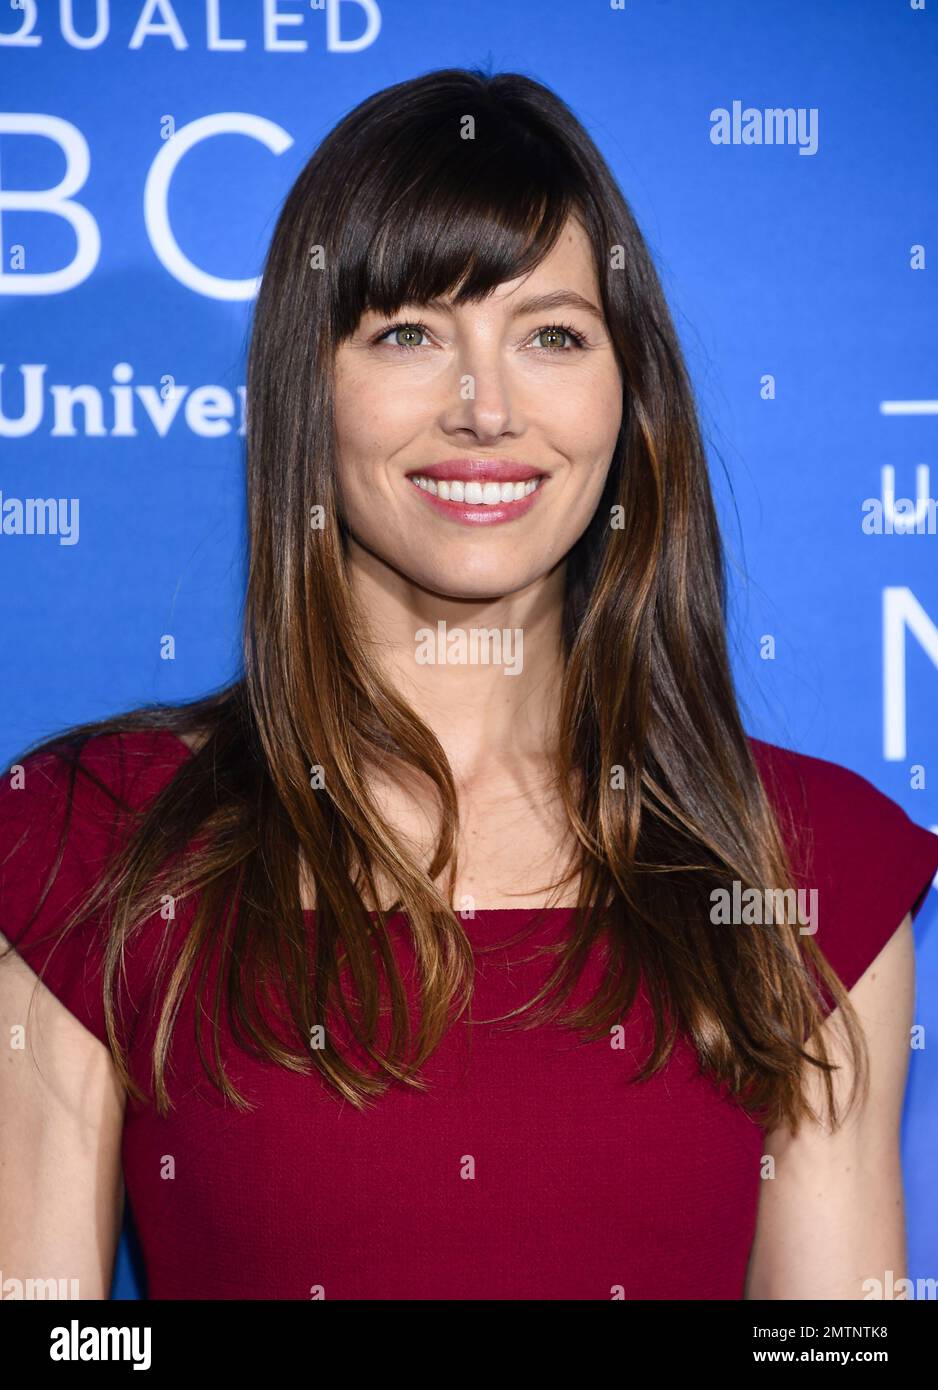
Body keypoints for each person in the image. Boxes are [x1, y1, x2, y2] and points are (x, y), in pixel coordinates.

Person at [2, 67, 937, 1303]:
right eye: (408, 334)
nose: (484, 409)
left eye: (550, 334)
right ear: (307, 392)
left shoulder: (805, 867)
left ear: (628, 398)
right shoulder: (87, 840)